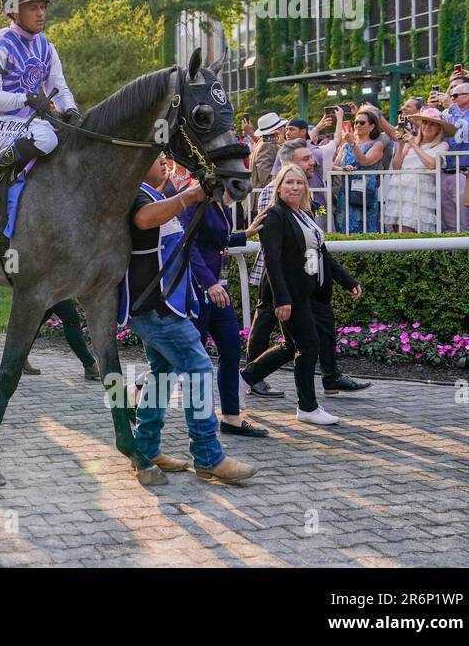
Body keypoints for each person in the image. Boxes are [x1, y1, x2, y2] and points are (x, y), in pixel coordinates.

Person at [118, 156, 255, 484]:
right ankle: (208, 456)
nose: (164, 162)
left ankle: (147, 448)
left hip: (163, 304)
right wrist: (189, 196)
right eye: (156, 158)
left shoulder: (153, 193)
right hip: (155, 306)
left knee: (162, 373)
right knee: (198, 368)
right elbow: (143, 219)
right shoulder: (136, 192)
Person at [241, 164, 364, 425]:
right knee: (308, 345)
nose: (294, 187)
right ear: (279, 186)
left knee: (292, 346)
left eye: (299, 183)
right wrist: (282, 299)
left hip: (309, 291)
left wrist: (347, 281)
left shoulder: (305, 214)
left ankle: (243, 380)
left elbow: (322, 253)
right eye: (289, 183)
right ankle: (307, 407)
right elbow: (272, 260)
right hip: (289, 293)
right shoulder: (274, 215)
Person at [0, 0, 81, 200]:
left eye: (42, 7)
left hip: (28, 126)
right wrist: (26, 99)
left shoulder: (46, 46)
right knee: (46, 138)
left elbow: (60, 88)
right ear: (14, 11)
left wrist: (71, 111)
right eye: (33, 8)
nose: (41, 13)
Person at [184, 192, 268, 437]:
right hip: (198, 291)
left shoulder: (219, 203)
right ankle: (141, 395)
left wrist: (246, 233)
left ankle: (231, 417)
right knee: (191, 359)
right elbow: (189, 245)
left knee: (231, 348)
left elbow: (217, 243)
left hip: (219, 290)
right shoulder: (193, 200)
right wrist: (208, 282)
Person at [381, 107, 452, 233]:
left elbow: (431, 164)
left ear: (438, 129)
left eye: (432, 124)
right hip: (400, 187)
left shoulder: (442, 145)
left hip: (419, 190)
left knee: (407, 228)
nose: (427, 127)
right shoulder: (409, 142)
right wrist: (401, 144)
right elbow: (397, 166)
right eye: (424, 123)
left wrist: (414, 145)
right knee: (396, 228)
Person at [329, 105, 384, 233]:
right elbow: (333, 166)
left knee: (366, 229)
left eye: (362, 122)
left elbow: (364, 161)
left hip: (365, 193)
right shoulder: (346, 146)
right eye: (356, 122)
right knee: (344, 228)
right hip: (346, 192)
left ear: (372, 126)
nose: (357, 125)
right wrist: (343, 168)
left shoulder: (377, 144)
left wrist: (353, 144)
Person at [440, 79, 469, 231]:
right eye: (451, 95)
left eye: (455, 95)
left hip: (465, 172)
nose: (452, 98)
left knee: (467, 223)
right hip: (446, 172)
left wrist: (452, 107)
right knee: (449, 225)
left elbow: (467, 127)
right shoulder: (447, 115)